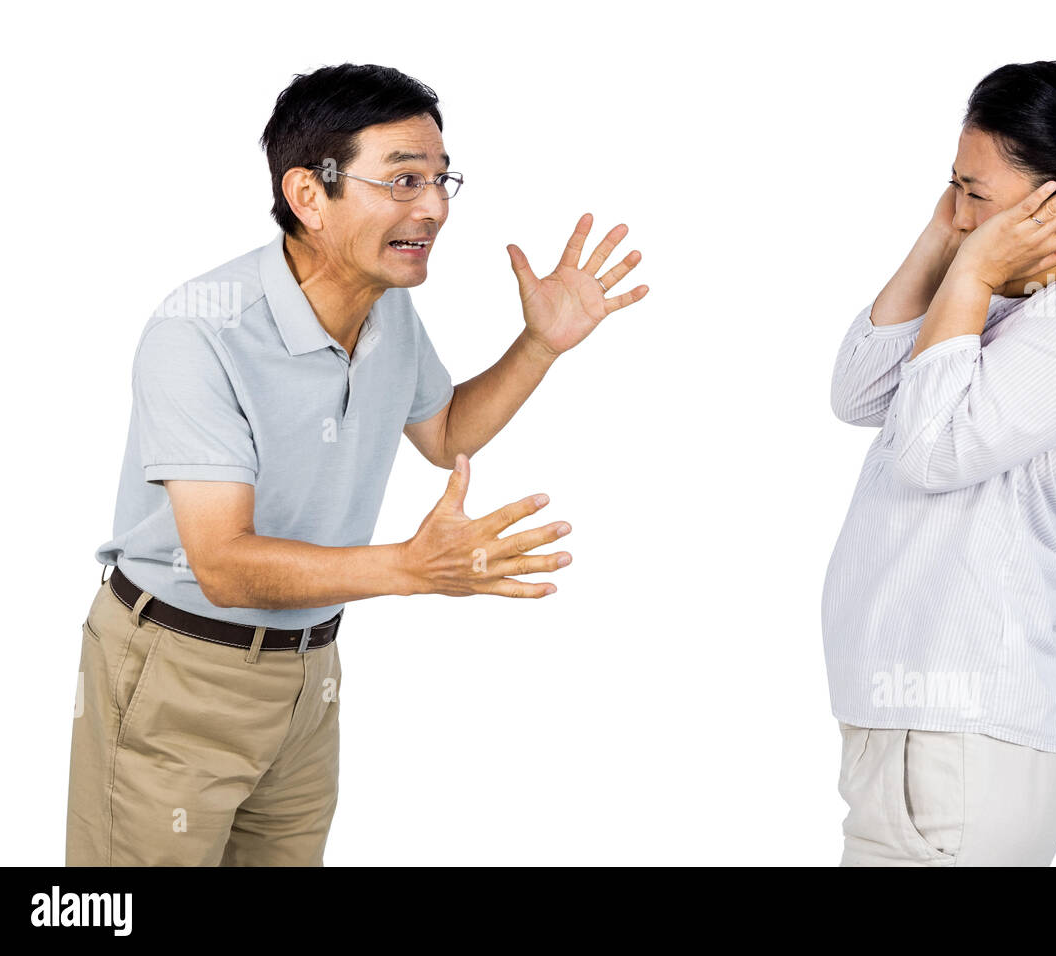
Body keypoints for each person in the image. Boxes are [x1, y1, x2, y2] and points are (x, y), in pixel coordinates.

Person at [66, 62, 649, 866]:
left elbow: (444, 433)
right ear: (310, 195)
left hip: (308, 670)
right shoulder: (198, 332)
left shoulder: (388, 307)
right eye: (404, 179)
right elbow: (225, 568)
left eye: (442, 180)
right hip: (178, 669)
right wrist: (412, 568)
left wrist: (540, 344)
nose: (436, 207)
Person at [823, 60, 1056, 866]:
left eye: (976, 193)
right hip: (925, 739)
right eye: (952, 185)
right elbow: (858, 393)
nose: (959, 212)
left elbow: (928, 451)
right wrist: (948, 241)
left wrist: (977, 268)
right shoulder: (1011, 295)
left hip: (966, 742)